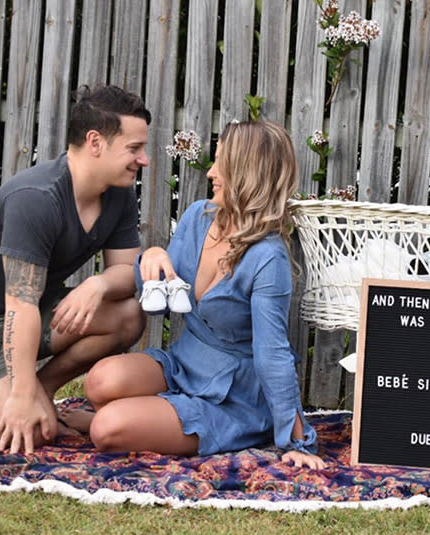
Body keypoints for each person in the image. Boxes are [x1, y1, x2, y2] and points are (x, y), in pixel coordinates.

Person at [61, 120, 326, 469]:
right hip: (185, 365)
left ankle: (230, 427)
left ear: (247, 174)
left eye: (221, 164)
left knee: (106, 428)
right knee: (99, 381)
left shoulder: (268, 257)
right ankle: (152, 416)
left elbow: (272, 353)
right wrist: (153, 256)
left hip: (234, 397)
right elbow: (159, 301)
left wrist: (298, 442)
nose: (211, 172)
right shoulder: (198, 218)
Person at [0, 84, 150, 455]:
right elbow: (19, 305)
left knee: (128, 315)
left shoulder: (118, 193)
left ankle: (43, 390)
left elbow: (128, 271)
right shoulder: (37, 199)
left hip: (26, 309)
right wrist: (21, 398)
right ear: (95, 142)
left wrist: (97, 285)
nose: (143, 159)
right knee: (32, 434)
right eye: (134, 148)